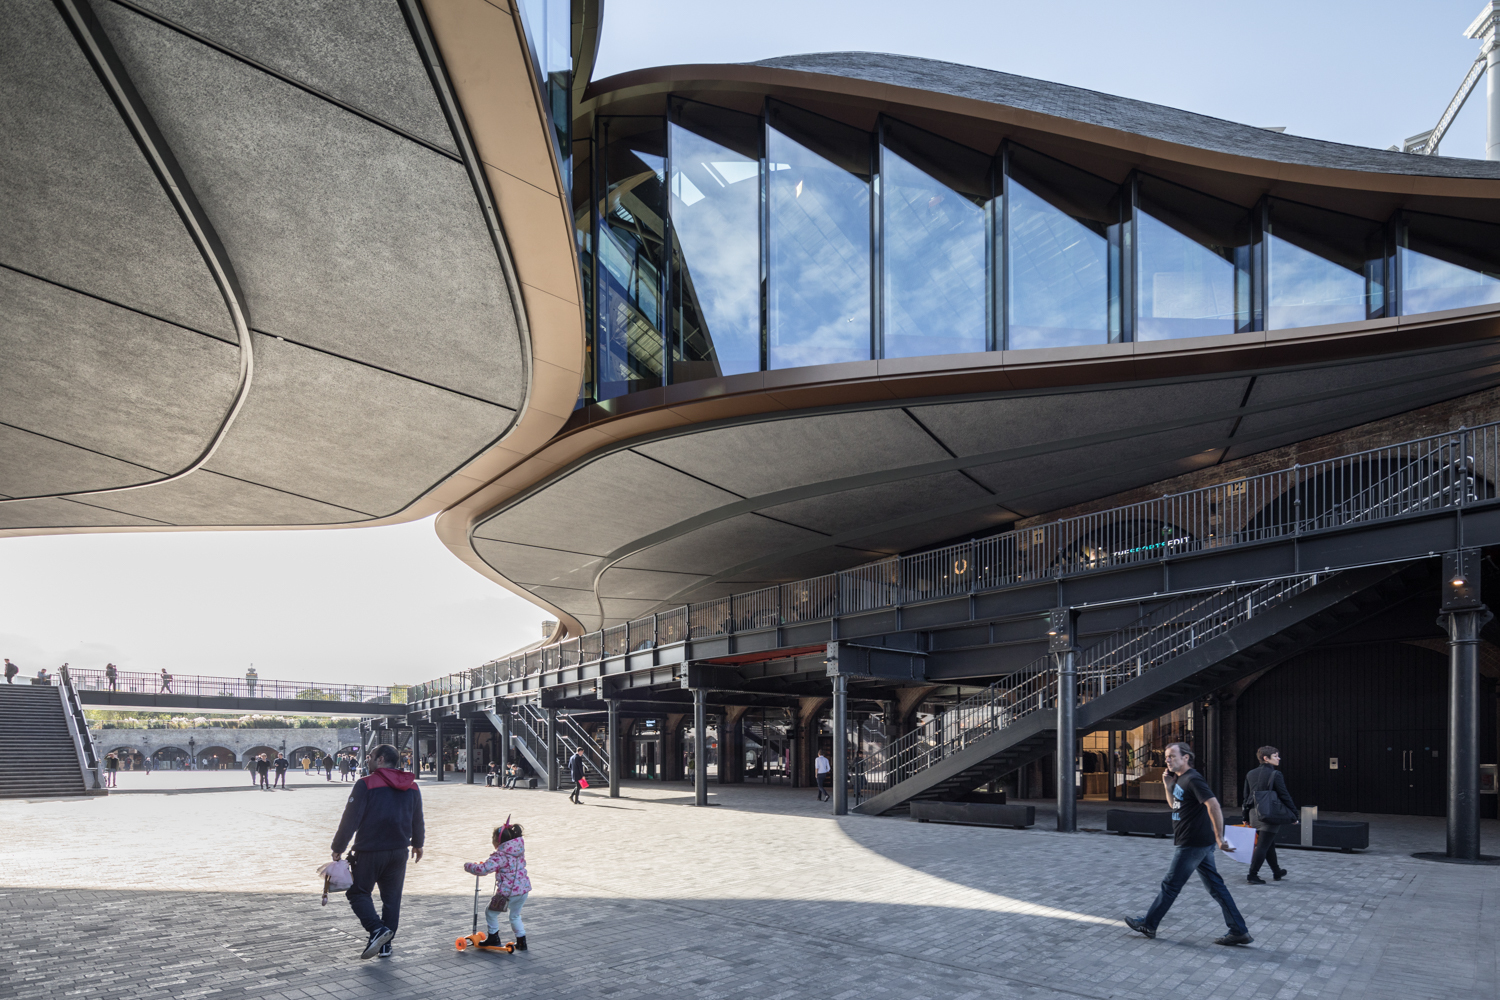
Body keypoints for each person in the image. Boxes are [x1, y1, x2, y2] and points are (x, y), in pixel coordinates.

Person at [1125, 742, 1252, 946]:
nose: (1168, 759)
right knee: (1216, 888)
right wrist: (1168, 785)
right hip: (1197, 842)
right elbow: (1174, 804)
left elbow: (1214, 806)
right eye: (1166, 756)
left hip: (1193, 842)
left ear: (1186, 757)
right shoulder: (1180, 780)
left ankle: (1149, 924)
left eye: (1172, 756)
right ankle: (1239, 930)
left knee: (1170, 885)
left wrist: (1220, 837)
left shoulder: (1193, 779)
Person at [331, 744, 425, 960]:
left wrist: (338, 847)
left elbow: (350, 819)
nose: (367, 760)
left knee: (357, 892)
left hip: (370, 851)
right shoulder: (412, 786)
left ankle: (377, 930)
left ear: (380, 759)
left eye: (370, 756)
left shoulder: (366, 784)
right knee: (392, 899)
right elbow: (417, 817)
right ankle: (385, 946)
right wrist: (418, 844)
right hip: (399, 851)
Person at [462, 820, 532, 952]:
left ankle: (493, 937)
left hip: (508, 893)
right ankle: (521, 941)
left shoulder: (500, 856)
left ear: (499, 842)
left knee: (490, 912)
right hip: (523, 890)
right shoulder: (518, 852)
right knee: (515, 916)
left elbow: (483, 869)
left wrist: (469, 866)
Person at [1242, 746, 1295, 885]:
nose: (1279, 758)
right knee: (1263, 846)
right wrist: (1294, 814)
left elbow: (1246, 797)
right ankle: (1252, 875)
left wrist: (1245, 816)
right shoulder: (1275, 774)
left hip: (1254, 814)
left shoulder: (1250, 773)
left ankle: (1277, 871)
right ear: (1266, 758)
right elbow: (1284, 795)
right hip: (1269, 814)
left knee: (1268, 843)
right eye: (1276, 756)